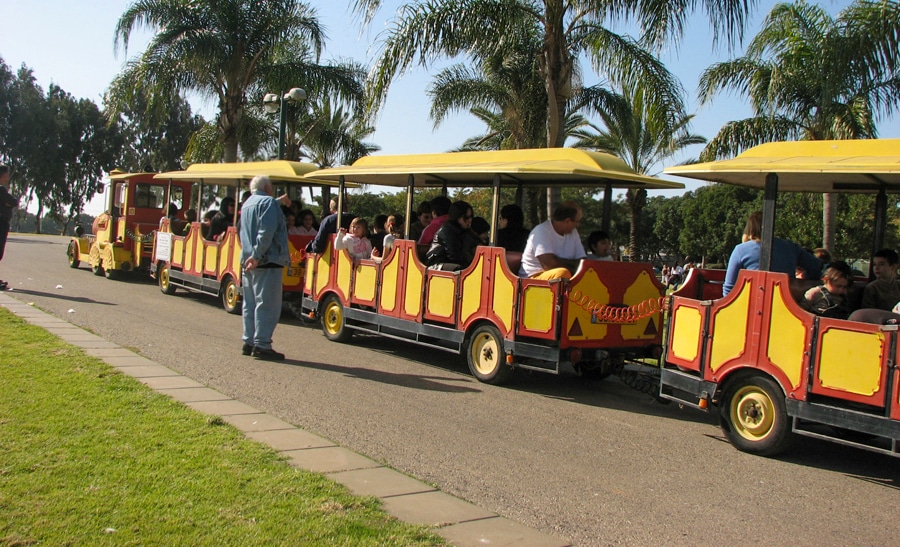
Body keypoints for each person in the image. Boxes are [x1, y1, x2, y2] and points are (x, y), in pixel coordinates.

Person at [239, 175, 290, 361]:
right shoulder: (268, 203)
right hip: (267, 260)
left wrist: (251, 256)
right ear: (268, 187)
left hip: (247, 260)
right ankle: (262, 344)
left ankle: (249, 340)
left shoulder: (247, 204)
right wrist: (257, 255)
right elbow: (266, 232)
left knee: (250, 303)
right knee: (267, 304)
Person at [722, 211, 822, 296]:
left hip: (750, 304)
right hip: (786, 304)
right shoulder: (790, 247)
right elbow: (817, 268)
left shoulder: (740, 250)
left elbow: (729, 289)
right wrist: (802, 283)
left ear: (749, 227)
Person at [519, 200, 586, 280]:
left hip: (566, 277)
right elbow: (549, 265)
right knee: (562, 273)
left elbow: (583, 263)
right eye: (577, 221)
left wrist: (558, 260)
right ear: (568, 221)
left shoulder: (573, 232)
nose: (578, 225)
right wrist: (574, 264)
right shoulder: (541, 231)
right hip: (533, 277)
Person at [425, 201, 478, 271]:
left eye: (471, 217)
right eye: (466, 217)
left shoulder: (465, 231)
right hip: (436, 264)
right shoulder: (447, 230)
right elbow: (453, 254)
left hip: (448, 262)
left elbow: (473, 244)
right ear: (457, 216)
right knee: (459, 269)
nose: (470, 220)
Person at [0, 164, 19, 289]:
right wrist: (8, 204)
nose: (8, 176)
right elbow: (13, 202)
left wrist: (7, 204)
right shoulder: (1, 190)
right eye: (7, 174)